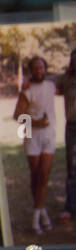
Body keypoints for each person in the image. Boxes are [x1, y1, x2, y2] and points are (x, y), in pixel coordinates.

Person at [17, 55, 58, 232]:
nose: (39, 71)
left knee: (43, 176)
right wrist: (35, 122)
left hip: (49, 135)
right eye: (35, 68)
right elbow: (18, 116)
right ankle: (42, 213)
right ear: (30, 71)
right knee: (35, 178)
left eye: (41, 68)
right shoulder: (27, 90)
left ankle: (36, 216)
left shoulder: (51, 85)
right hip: (31, 136)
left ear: (45, 69)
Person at [55, 49, 76, 222]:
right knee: (72, 167)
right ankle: (70, 207)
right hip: (72, 127)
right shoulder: (66, 79)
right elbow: (48, 81)